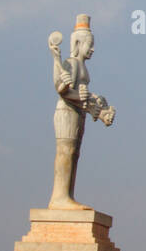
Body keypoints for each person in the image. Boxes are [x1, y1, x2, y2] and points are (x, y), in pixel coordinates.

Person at [48, 14, 115, 209]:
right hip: (66, 113)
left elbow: (76, 93)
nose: (92, 49)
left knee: (74, 153)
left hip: (77, 113)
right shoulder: (72, 63)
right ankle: (59, 197)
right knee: (65, 151)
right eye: (89, 44)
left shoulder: (81, 66)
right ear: (78, 43)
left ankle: (67, 195)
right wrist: (72, 91)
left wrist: (93, 101)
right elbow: (63, 90)